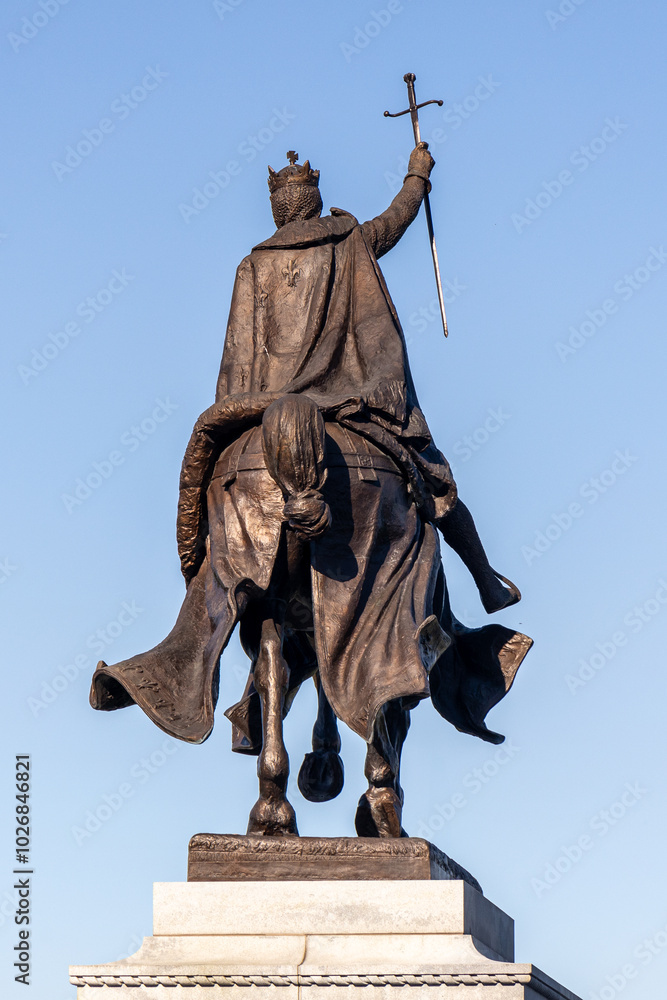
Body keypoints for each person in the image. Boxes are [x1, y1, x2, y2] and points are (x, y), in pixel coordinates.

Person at [91, 145, 531, 837]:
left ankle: (270, 787)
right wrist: (417, 172)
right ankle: (483, 584)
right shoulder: (350, 240)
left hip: (254, 447)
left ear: (276, 207)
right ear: (315, 204)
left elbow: (237, 370)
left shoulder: (252, 266)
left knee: (244, 586)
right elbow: (394, 219)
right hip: (355, 422)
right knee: (433, 488)